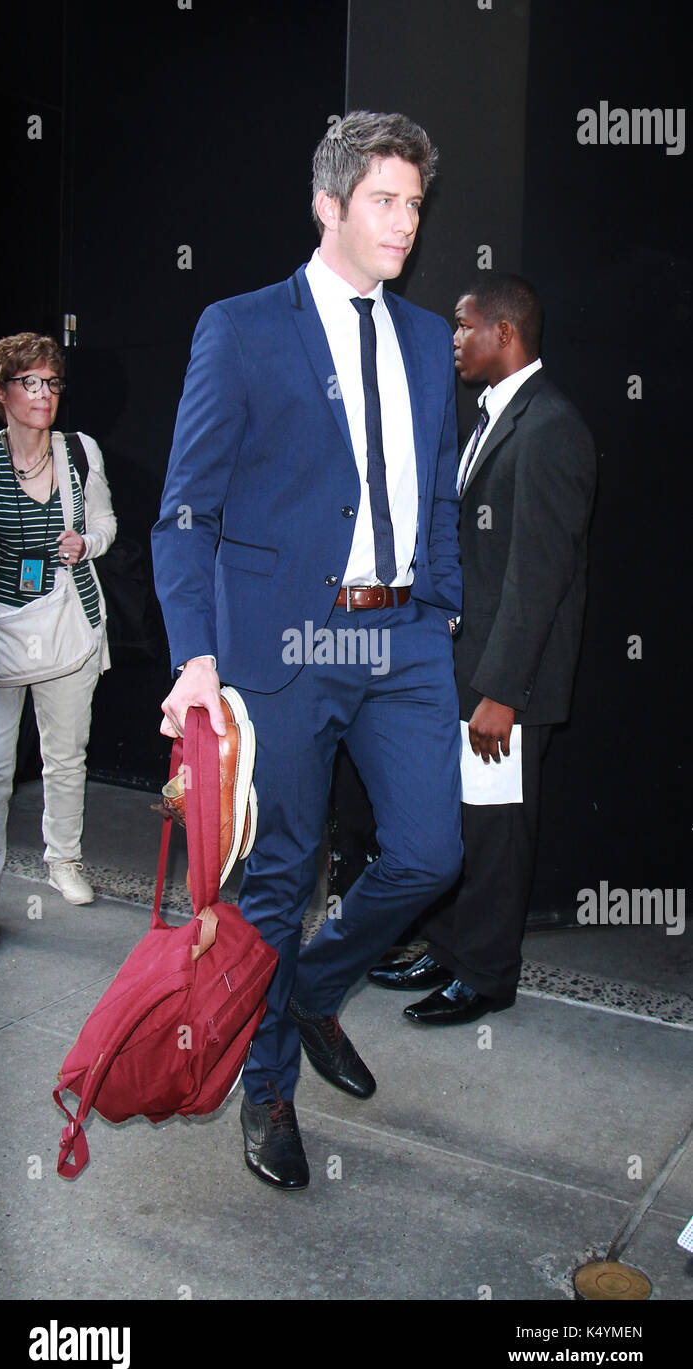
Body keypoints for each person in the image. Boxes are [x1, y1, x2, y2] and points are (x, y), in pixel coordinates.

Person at [152, 110, 464, 1190]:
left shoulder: (429, 340)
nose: (406, 222)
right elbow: (184, 510)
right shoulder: (241, 328)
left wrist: (445, 608)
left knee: (431, 853)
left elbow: (434, 497)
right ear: (328, 206)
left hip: (405, 634)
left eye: (416, 203)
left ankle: (309, 989)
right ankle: (270, 1083)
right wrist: (195, 654)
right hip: (286, 639)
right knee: (279, 879)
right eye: (385, 199)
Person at [369, 275, 597, 1021]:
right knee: (453, 821)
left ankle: (489, 975)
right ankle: (445, 947)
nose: (454, 339)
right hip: (463, 673)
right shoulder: (493, 418)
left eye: (464, 327)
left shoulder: (550, 424)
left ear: (506, 332)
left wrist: (503, 692)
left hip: (507, 687)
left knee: (497, 834)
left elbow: (540, 577)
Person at [0, 333, 116, 947]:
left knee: (66, 756)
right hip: (0, 628)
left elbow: (108, 522)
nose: (43, 394)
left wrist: (88, 542)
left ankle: (64, 861)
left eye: (51, 383)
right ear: (1, 391)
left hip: (70, 621)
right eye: (29, 382)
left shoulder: (80, 452)